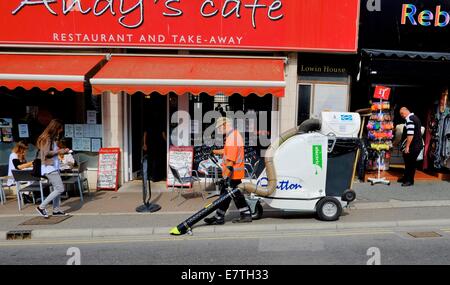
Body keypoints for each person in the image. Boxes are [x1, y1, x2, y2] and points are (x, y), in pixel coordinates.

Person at [204, 117, 252, 225]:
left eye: (219, 128)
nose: (218, 130)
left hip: (232, 173)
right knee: (232, 194)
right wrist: (214, 151)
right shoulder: (233, 135)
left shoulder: (232, 138)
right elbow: (227, 151)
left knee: (227, 195)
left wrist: (224, 178)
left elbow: (230, 162)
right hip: (234, 173)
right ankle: (243, 214)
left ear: (225, 125)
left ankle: (221, 217)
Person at [35, 119, 71, 218]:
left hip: (53, 166)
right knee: (60, 188)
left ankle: (56, 210)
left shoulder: (50, 138)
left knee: (57, 188)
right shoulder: (47, 138)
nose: (61, 131)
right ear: (56, 128)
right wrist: (61, 151)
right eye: (60, 129)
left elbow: (51, 152)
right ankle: (41, 207)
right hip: (49, 167)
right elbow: (47, 153)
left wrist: (62, 151)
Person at [398, 107, 424, 187]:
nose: (401, 116)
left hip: (413, 146)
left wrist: (407, 147)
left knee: (410, 164)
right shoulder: (415, 117)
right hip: (416, 145)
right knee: (408, 162)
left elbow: (410, 134)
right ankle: (406, 177)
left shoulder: (410, 119)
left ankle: (409, 181)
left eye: (401, 114)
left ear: (404, 113)